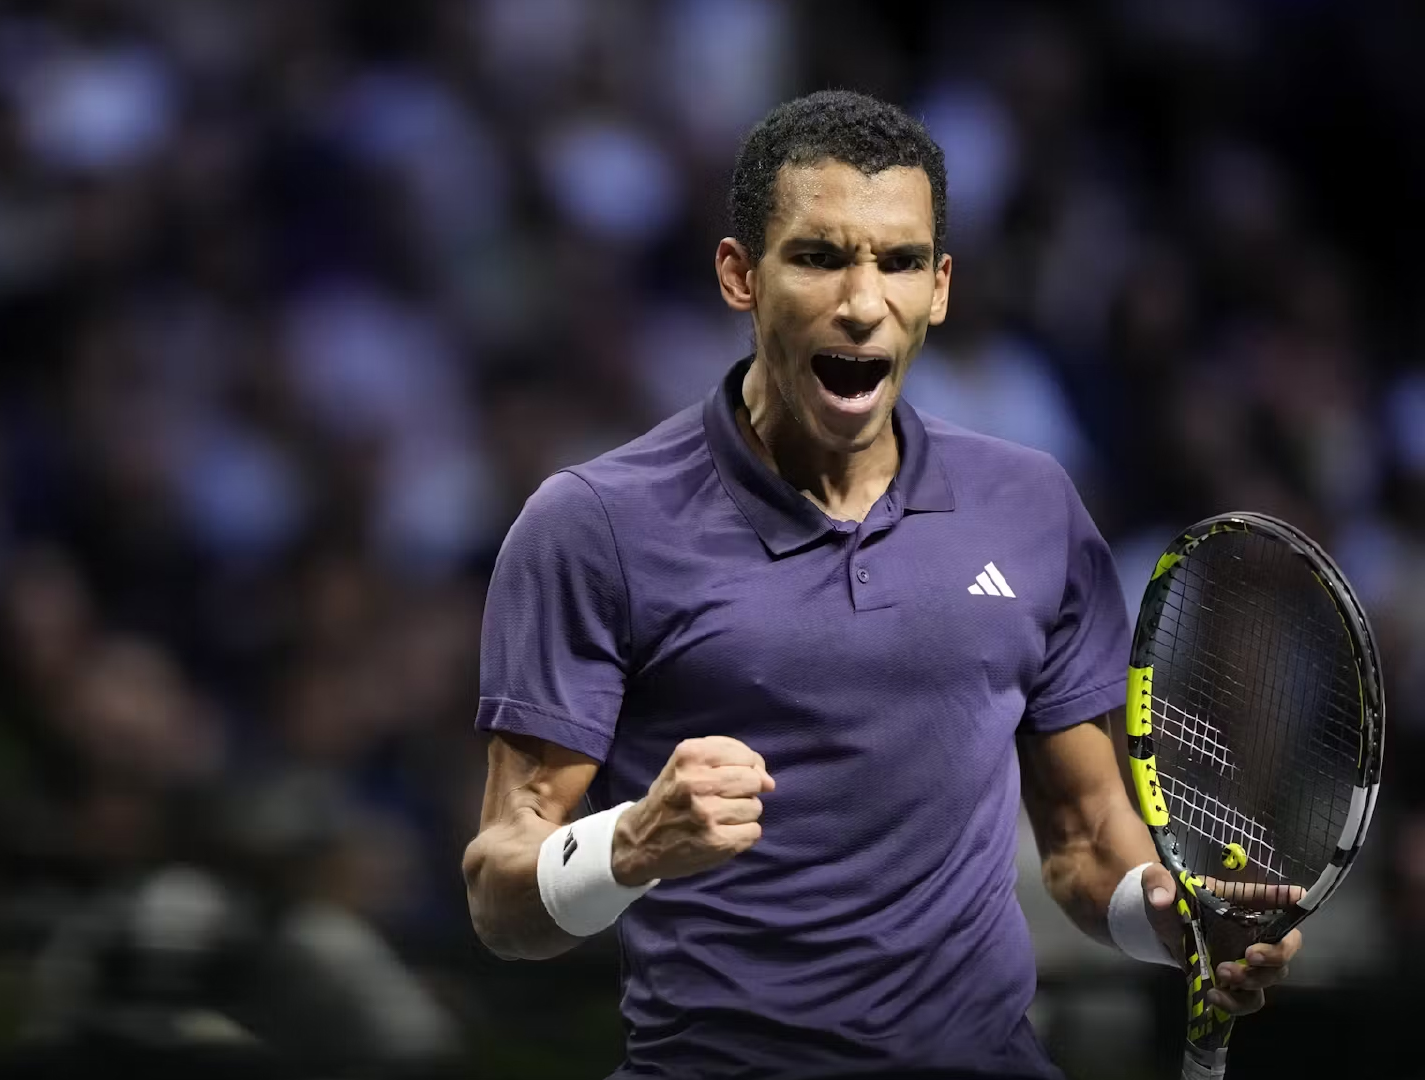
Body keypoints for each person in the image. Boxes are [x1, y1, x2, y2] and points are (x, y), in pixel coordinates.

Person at [460, 90, 1302, 1079]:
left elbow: (1083, 843)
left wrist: (1168, 917)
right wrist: (634, 842)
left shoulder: (1031, 505)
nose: (863, 303)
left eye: (899, 261)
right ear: (741, 275)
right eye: (819, 257)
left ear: (939, 288)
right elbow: (499, 900)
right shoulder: (593, 525)